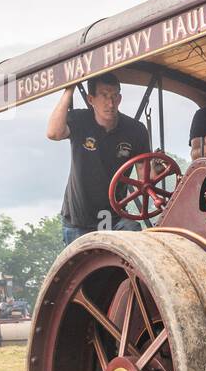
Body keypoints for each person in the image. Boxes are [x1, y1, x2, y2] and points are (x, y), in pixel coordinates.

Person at [46, 72, 150, 244]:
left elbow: (145, 178)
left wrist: (158, 170)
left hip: (115, 218)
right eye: (104, 96)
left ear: (120, 98)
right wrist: (69, 89)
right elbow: (53, 133)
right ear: (91, 99)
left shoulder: (136, 130)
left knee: (135, 236)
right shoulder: (79, 120)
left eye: (114, 96)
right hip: (78, 220)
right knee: (81, 269)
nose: (110, 103)